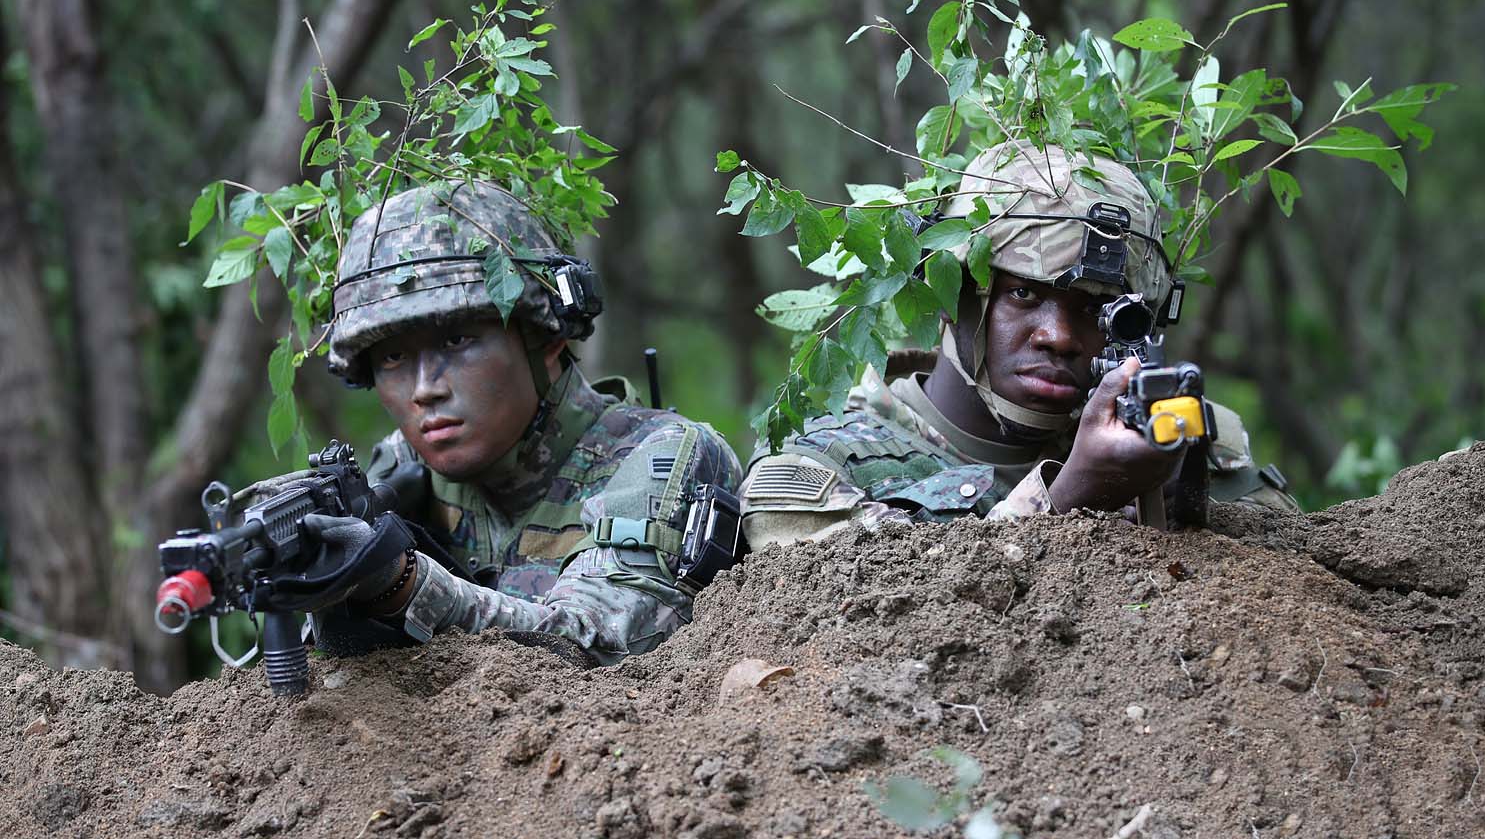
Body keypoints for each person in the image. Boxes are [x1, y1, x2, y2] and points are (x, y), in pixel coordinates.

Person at [268, 180, 743, 667]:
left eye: (457, 341)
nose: (425, 389)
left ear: (546, 337)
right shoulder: (403, 468)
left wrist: (403, 583)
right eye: (392, 357)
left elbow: (602, 647)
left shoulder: (657, 456)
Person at [737, 144, 1297, 548]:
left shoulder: (1179, 439)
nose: (1060, 336)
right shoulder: (816, 470)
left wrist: (1188, 505)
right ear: (948, 291)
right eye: (1024, 294)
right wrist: (1070, 498)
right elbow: (868, 628)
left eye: (1096, 309)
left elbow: (1305, 592)